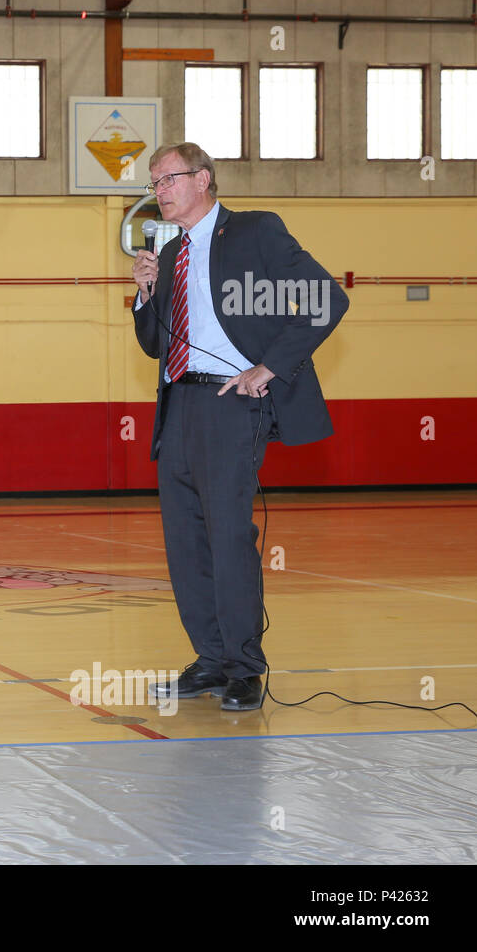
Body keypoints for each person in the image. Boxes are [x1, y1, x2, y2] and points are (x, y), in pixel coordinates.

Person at [131, 141, 347, 712]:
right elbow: (155, 342)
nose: (159, 192)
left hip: (233, 403)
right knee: (185, 541)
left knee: (228, 536)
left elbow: (326, 298)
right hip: (180, 403)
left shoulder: (254, 232)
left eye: (168, 180)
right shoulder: (170, 254)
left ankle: (246, 667)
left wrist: (269, 368)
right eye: (154, 184)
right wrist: (144, 290)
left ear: (202, 179)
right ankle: (211, 658)